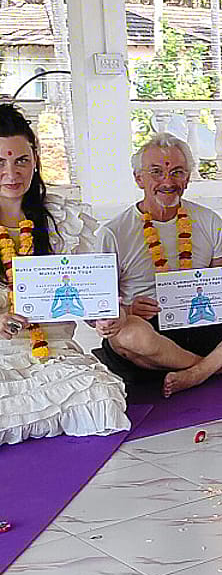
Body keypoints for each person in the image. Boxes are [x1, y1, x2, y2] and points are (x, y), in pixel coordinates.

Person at [97, 134, 222, 396]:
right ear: (138, 178)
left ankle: (199, 371)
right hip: (150, 332)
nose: (168, 182)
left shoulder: (208, 220)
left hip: (205, 321)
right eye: (156, 172)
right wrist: (129, 308)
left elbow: (221, 281)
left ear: (188, 179)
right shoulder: (114, 232)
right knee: (127, 335)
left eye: (177, 172)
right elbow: (104, 305)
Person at [0, 104, 128, 444]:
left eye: (21, 161)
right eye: (0, 163)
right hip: (2, 355)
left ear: (36, 158)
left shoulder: (63, 219)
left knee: (102, 400)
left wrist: (108, 318)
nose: (11, 174)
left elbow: (90, 301)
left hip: (53, 351)